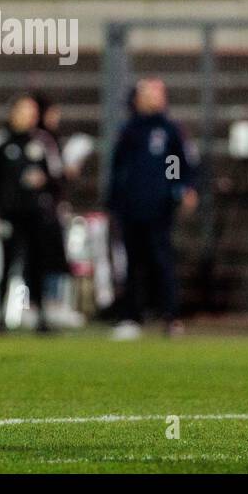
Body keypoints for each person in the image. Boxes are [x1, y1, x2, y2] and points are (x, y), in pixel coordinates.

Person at [107, 77, 198, 339]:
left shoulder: (169, 131)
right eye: (149, 93)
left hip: (159, 208)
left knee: (162, 261)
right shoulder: (129, 131)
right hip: (130, 207)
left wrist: (180, 188)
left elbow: (180, 163)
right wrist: (114, 201)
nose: (155, 97)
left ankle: (171, 316)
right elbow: (118, 168)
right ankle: (131, 317)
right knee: (131, 263)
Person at [0, 95, 65, 331]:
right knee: (8, 265)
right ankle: (1, 318)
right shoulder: (1, 142)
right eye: (24, 111)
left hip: (37, 215)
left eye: (32, 112)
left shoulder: (43, 142)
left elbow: (58, 177)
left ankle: (40, 318)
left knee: (37, 266)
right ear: (13, 113)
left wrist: (45, 180)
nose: (30, 116)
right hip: (10, 214)